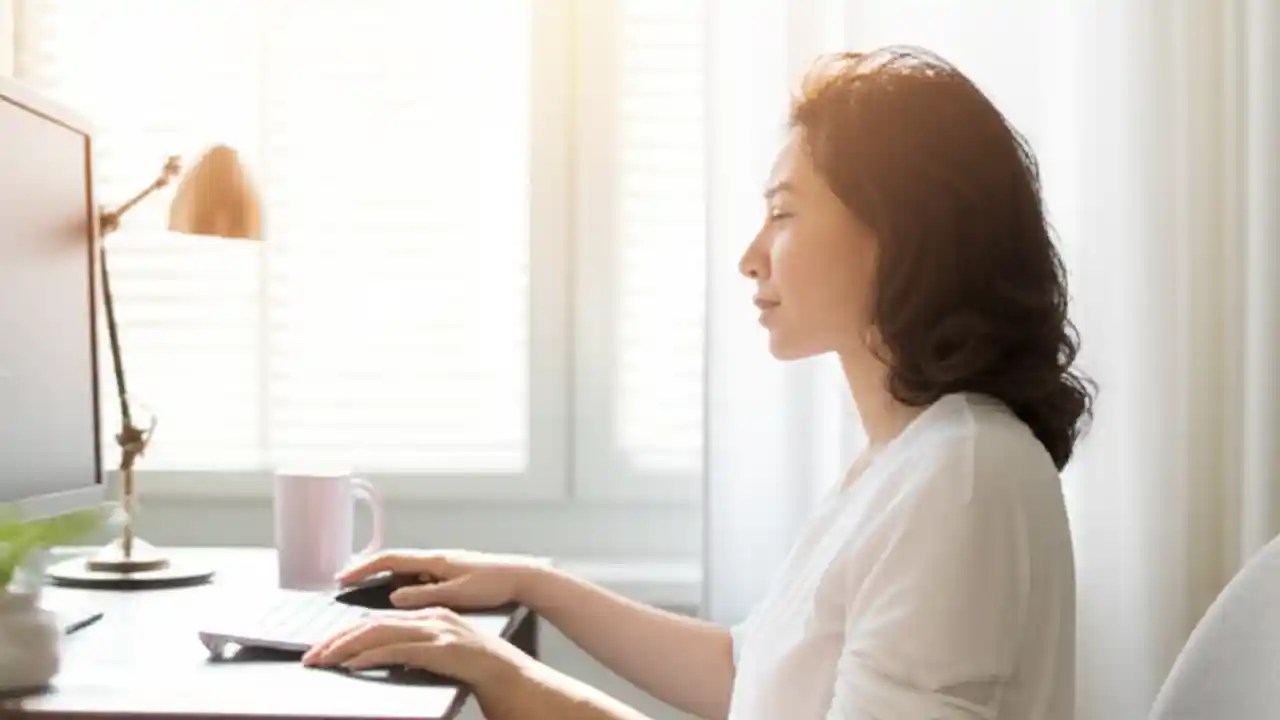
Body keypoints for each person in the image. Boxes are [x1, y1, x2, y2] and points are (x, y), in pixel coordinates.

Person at [301, 46, 1093, 720]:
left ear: (899, 231)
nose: (752, 256)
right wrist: (535, 585)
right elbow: (748, 674)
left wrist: (509, 677)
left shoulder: (960, 476)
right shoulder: (910, 460)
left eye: (783, 213)